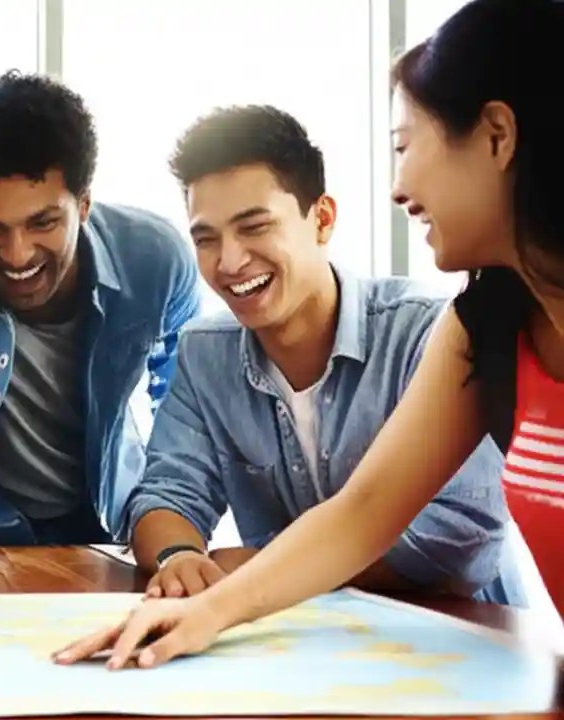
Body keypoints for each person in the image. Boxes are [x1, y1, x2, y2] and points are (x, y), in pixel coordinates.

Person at [55, 0, 564, 670]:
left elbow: (447, 540)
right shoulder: (483, 326)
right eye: (208, 237)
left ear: (497, 136)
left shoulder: (421, 325)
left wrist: (237, 571)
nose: (398, 187)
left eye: (405, 147)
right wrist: (202, 611)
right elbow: (364, 511)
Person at [126, 104, 521, 606]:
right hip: (300, 650)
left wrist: (260, 569)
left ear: (322, 219)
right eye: (206, 238)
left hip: (463, 644)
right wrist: (179, 558)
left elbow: (456, 542)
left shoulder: (429, 333)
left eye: (254, 227)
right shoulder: (205, 354)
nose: (228, 261)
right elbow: (164, 494)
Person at [0, 71, 201, 628]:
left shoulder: (156, 259)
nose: (17, 252)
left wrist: (174, 534)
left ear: (85, 203)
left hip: (112, 527)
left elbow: (186, 403)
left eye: (43, 221)